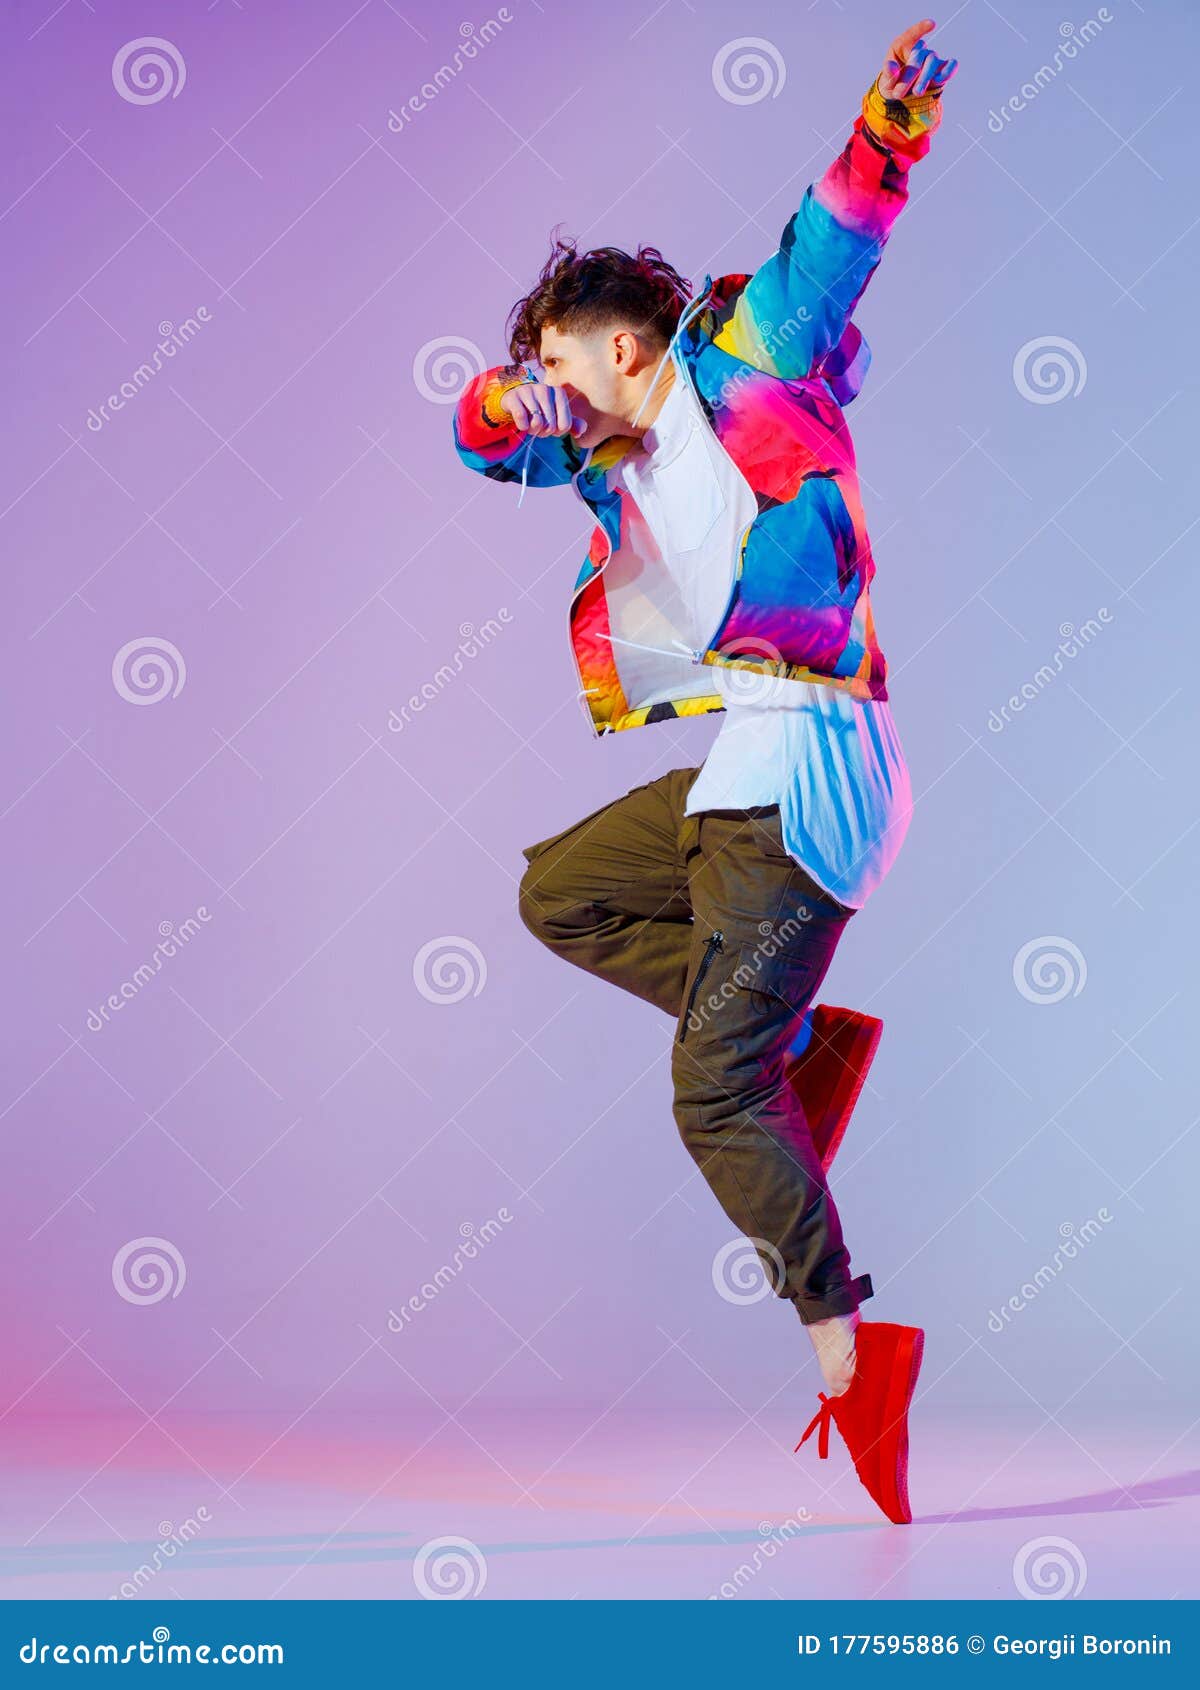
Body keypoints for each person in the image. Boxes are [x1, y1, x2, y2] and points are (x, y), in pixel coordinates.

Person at [451, 20, 957, 1524]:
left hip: (812, 763)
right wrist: (503, 405)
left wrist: (888, 123)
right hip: (739, 766)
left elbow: (834, 244)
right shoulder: (602, 451)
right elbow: (477, 444)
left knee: (707, 1087)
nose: (540, 390)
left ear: (620, 347)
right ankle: (798, 1052)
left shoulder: (753, 359)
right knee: (561, 892)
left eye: (551, 365)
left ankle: (851, 1352)